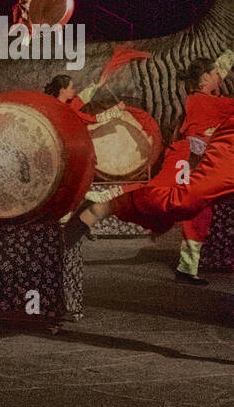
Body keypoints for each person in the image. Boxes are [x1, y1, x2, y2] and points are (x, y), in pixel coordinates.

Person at [67, 52, 234, 255]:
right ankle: (109, 202)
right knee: (168, 202)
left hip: (194, 158)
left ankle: (107, 205)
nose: (221, 77)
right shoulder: (204, 101)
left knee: (177, 207)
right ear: (205, 78)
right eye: (216, 73)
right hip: (187, 156)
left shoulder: (205, 101)